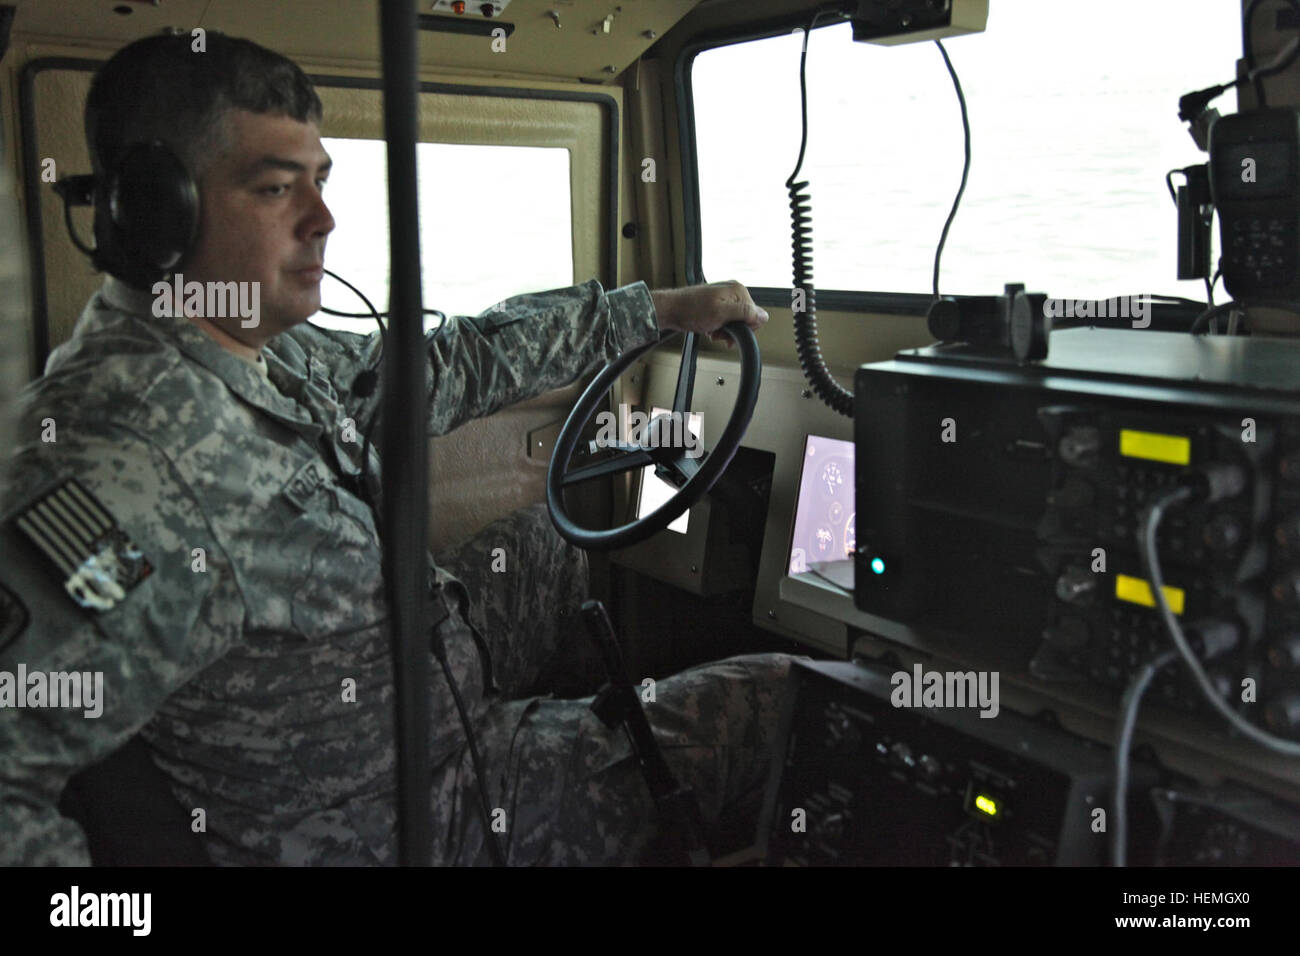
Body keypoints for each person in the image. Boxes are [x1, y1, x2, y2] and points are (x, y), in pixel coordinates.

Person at [0, 31, 794, 865]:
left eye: (321, 180)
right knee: (780, 700)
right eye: (277, 188)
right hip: (411, 817)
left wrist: (656, 311)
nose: (324, 219)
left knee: (542, 540)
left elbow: (447, 363)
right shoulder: (117, 460)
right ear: (157, 212)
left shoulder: (252, 338)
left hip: (420, 693)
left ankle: (581, 743)